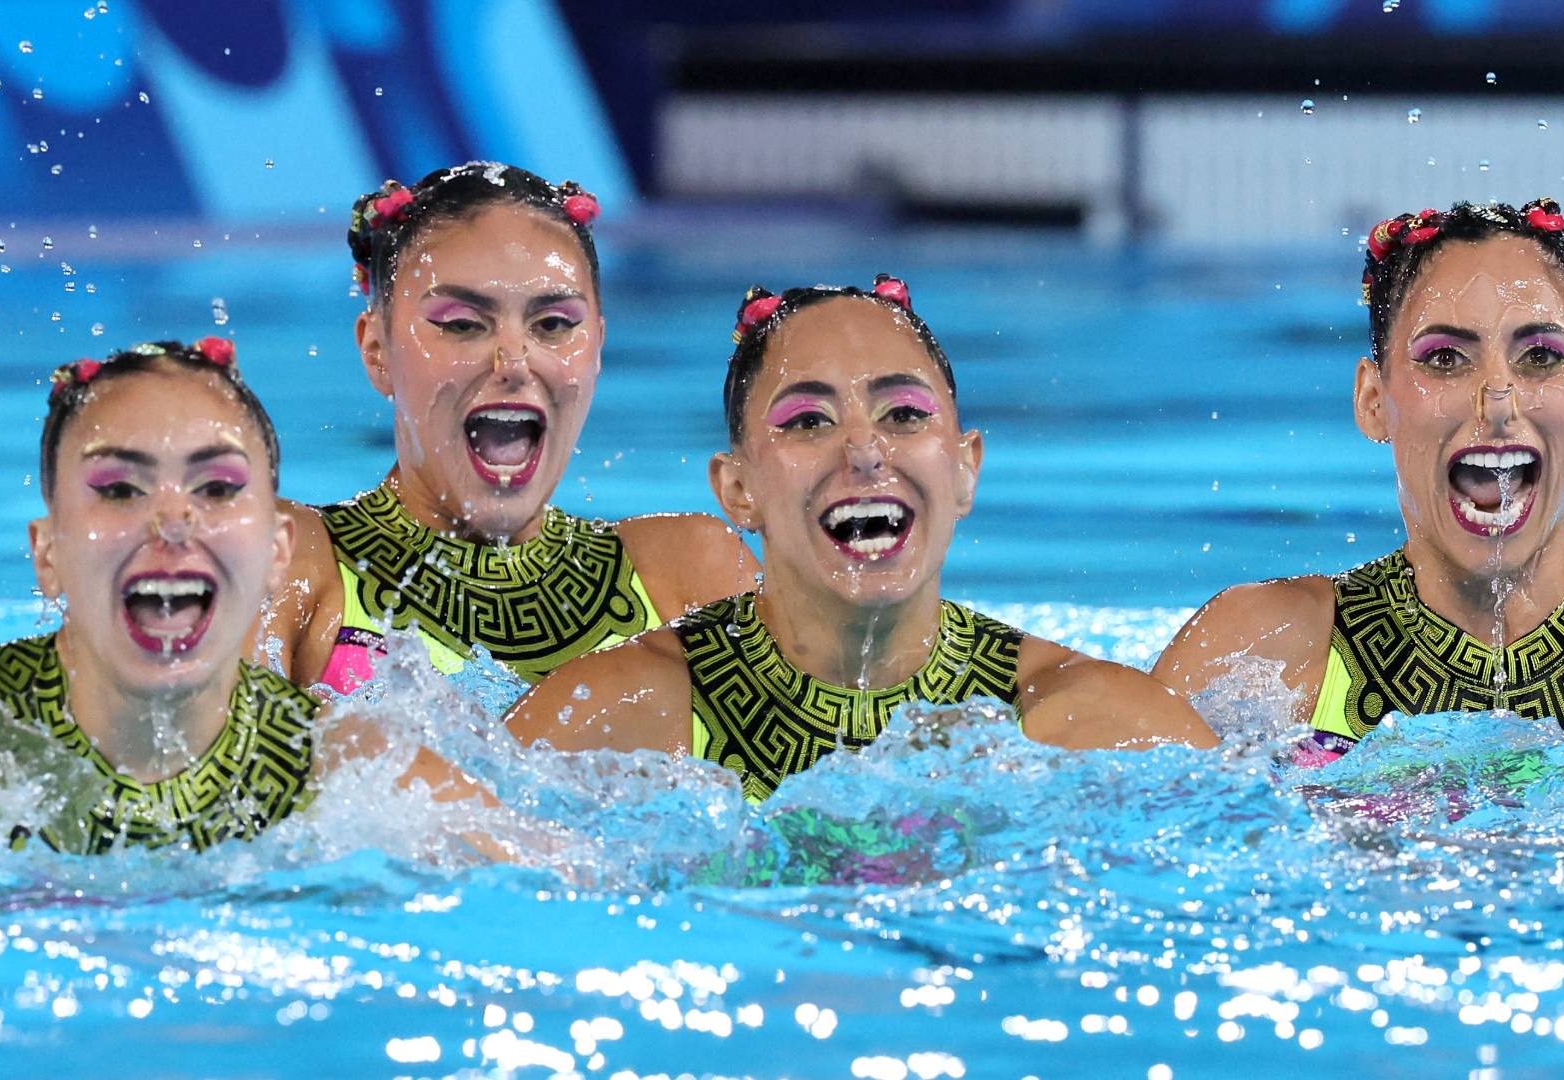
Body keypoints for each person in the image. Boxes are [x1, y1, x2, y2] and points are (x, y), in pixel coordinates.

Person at [509, 276, 1217, 801]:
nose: (865, 451)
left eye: (903, 414)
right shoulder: (617, 716)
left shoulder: (1097, 724)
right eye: (808, 421)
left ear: (965, 470)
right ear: (737, 490)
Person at [1153, 199, 1564, 757]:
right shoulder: (1263, 652)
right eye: (1446, 359)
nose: (1498, 399)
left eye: (1540, 356)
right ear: (1373, 400)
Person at [0, 340, 499, 854]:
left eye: (216, 488)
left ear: (278, 552)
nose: (172, 523)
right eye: (119, 489)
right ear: (48, 554)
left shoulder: (356, 776)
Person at [261, 162, 757, 694]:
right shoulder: (289, 559)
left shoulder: (684, 580)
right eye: (461, 324)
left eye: (553, 325)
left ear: (597, 348)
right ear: (377, 350)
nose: (514, 361)